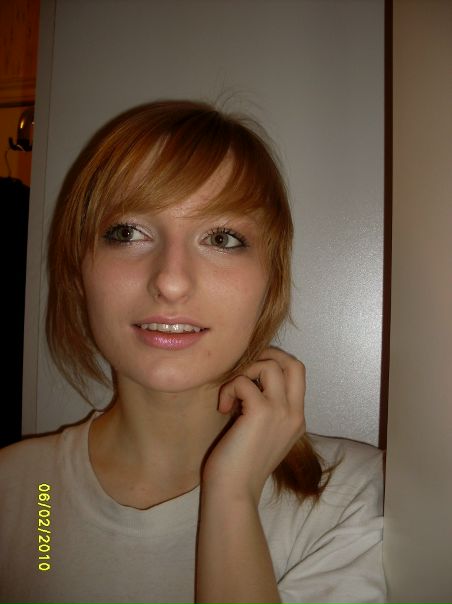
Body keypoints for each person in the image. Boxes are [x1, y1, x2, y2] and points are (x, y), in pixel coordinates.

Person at [0, 100, 386, 603]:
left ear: (270, 282)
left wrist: (232, 496)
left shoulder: (357, 497)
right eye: (128, 233)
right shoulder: (20, 491)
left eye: (222, 238)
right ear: (78, 271)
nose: (171, 281)